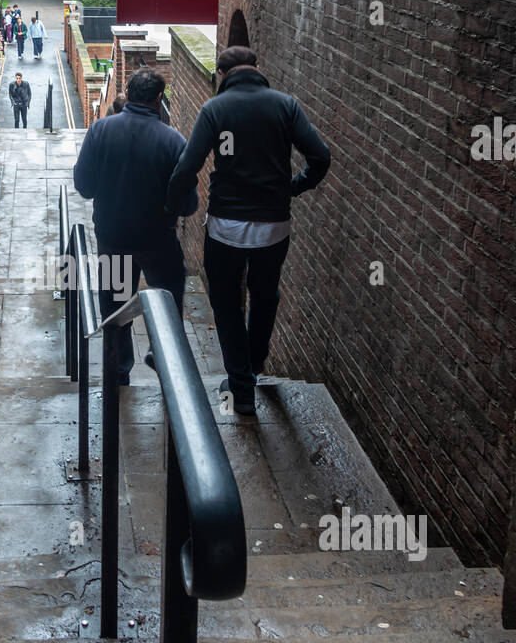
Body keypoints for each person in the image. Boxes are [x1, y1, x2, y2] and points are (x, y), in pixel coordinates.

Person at [166, 45, 330, 416]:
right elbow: (321, 157)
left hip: (225, 227)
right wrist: (294, 185)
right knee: (265, 296)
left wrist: (172, 210)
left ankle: (241, 387)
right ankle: (254, 367)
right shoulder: (285, 105)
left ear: (222, 75)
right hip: (274, 226)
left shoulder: (215, 109)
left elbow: (186, 168)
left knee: (225, 304)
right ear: (256, 68)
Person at [74, 68, 197, 385]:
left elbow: (84, 186)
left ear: (127, 95)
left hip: (113, 236)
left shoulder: (100, 130)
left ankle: (117, 370)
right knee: (168, 300)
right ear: (159, 99)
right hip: (158, 239)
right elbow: (189, 203)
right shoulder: (173, 141)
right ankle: (166, 358)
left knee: (114, 304)